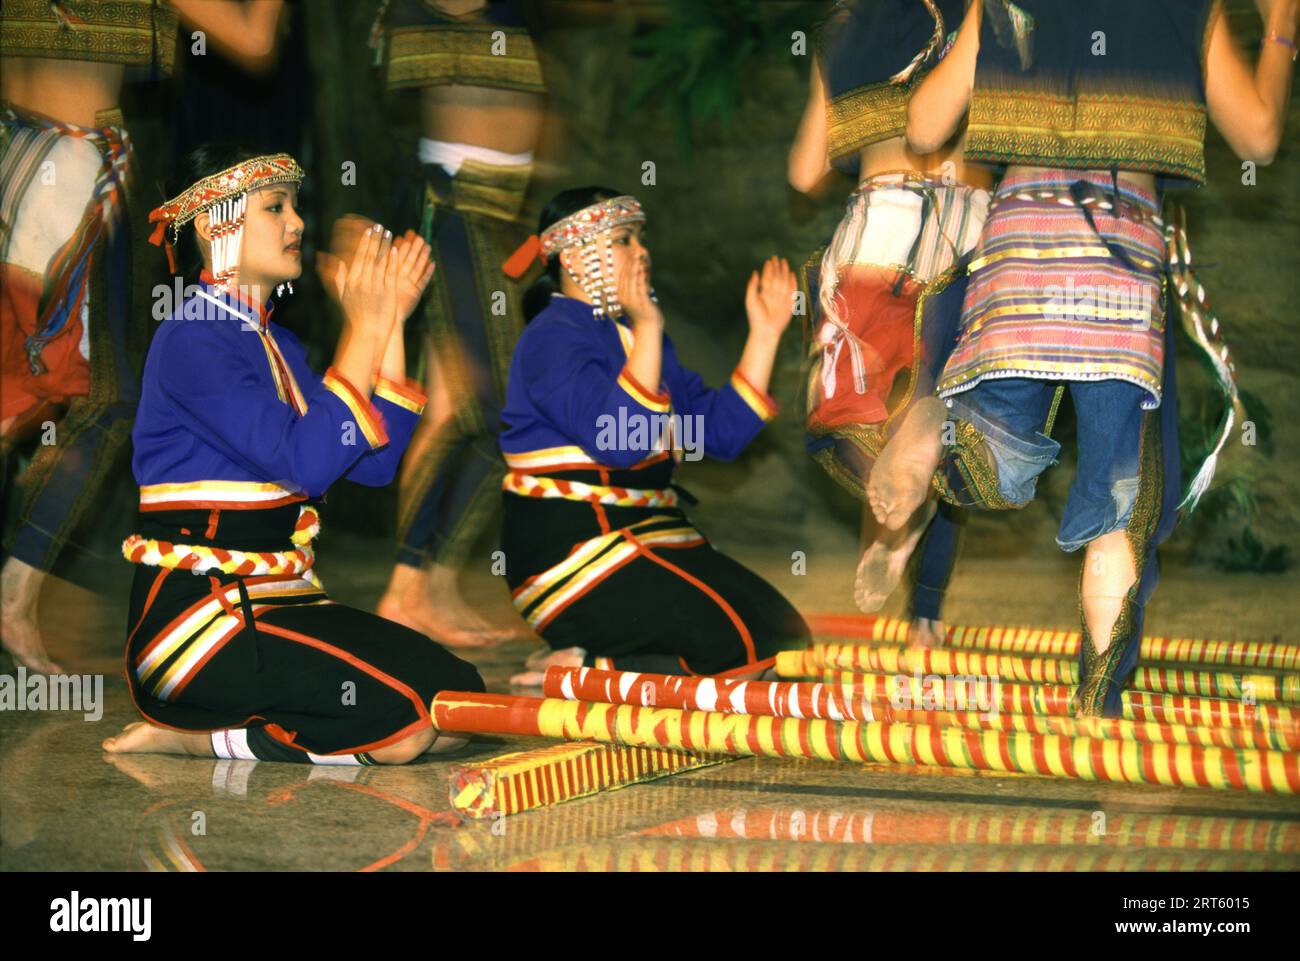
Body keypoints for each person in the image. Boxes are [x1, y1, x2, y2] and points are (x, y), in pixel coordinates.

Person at [884, 0, 1298, 715]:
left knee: (995, 459)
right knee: (1117, 509)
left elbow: (922, 126)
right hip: (1117, 260)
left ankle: (942, 422)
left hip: (1019, 247)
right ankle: (1095, 708)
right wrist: (1283, 22)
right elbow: (1258, 135)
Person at [102, 145, 483, 764]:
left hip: (286, 602)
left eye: (296, 206)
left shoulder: (280, 344)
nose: (298, 222)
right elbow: (303, 464)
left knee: (457, 695)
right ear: (213, 224)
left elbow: (371, 464)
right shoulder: (191, 338)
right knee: (408, 722)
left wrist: (389, 326)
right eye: (275, 206)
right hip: (198, 626)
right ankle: (200, 736)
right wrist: (362, 325)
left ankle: (232, 725)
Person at [0, 0, 287, 673]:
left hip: (17, 154)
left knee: (19, 392)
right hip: (69, 173)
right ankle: (13, 596)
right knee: (105, 398)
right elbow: (252, 37)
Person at [499, 187, 811, 684]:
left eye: (640, 239)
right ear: (576, 257)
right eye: (625, 240)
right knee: (740, 646)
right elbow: (621, 443)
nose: (642, 252)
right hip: (572, 552)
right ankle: (582, 667)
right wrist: (646, 323)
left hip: (653, 534)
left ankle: (594, 660)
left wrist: (766, 332)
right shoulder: (551, 337)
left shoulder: (641, 337)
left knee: (784, 635)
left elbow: (720, 433)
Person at [788, 0, 992, 638]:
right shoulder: (979, 16)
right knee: (944, 420)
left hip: (878, 230)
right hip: (972, 228)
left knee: (872, 423)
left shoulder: (841, 31)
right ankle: (925, 615)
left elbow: (804, 172)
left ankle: (897, 530)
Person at [370, 0, 546, 648]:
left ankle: (430, 585)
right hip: (456, 205)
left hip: (494, 216)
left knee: (465, 410)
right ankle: (404, 586)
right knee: (487, 406)